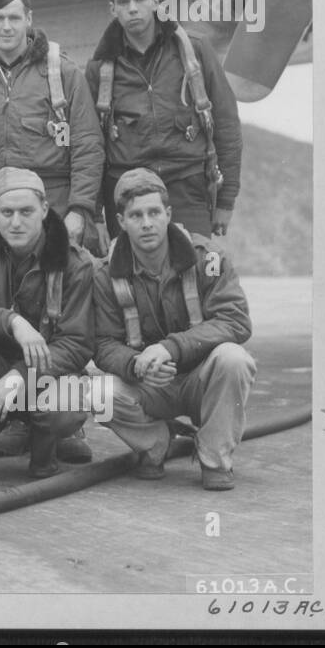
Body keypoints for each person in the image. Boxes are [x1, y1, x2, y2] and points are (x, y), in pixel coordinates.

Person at [0, 0, 103, 463]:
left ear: (29, 20)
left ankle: (66, 425)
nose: (7, 27)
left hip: (52, 200)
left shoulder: (62, 72)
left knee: (61, 309)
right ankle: (16, 418)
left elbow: (87, 143)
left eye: (14, 18)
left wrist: (79, 209)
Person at [93, 168, 255, 490]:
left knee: (234, 359)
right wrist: (135, 365)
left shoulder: (208, 258)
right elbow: (102, 344)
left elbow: (235, 319)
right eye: (136, 215)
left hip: (201, 379)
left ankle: (214, 458)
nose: (147, 223)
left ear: (168, 214)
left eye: (154, 212)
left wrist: (170, 348)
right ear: (121, 221)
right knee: (95, 393)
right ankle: (156, 444)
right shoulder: (104, 273)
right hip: (148, 385)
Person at [0, 168, 97, 490]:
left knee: (64, 407)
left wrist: (19, 376)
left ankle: (45, 446)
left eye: (26, 212)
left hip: (47, 373)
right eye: (7, 212)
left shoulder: (74, 261)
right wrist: (11, 321)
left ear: (45, 210)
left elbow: (77, 343)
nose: (16, 222)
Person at [84, 0, 242, 240]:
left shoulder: (196, 51)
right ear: (113, 10)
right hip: (127, 193)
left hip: (187, 187)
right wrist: (96, 215)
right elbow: (90, 144)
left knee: (199, 261)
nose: (133, 8)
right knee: (132, 268)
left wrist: (226, 201)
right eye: (123, 2)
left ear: (155, 1)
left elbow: (226, 126)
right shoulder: (99, 68)